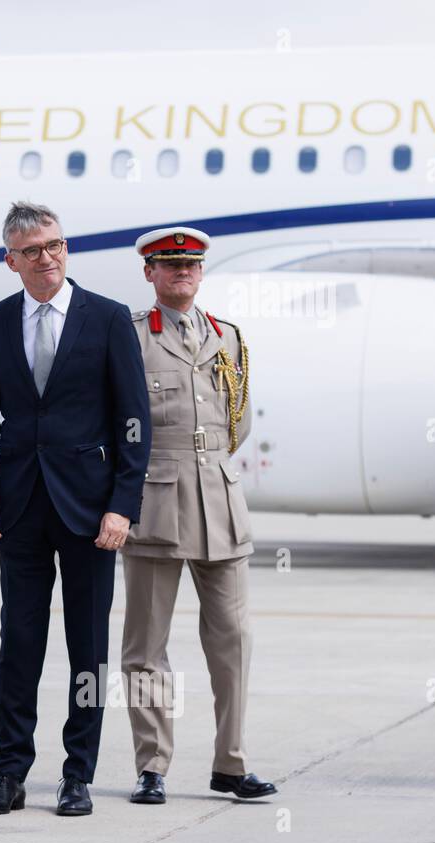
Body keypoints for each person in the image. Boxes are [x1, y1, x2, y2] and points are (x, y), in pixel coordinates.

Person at [0, 201, 151, 817]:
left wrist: (123, 504)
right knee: (18, 642)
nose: (47, 258)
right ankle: (11, 770)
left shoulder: (105, 317)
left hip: (90, 510)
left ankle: (79, 774)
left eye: (55, 245)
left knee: (87, 648)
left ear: (65, 249)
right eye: (33, 250)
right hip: (18, 505)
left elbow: (133, 420)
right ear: (10, 260)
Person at [122, 227, 277, 805]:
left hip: (220, 501)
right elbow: (115, 424)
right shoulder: (132, 337)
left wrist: (207, 462)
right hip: (155, 503)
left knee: (233, 639)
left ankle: (231, 764)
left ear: (201, 272)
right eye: (168, 265)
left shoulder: (227, 337)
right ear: (150, 274)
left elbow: (238, 422)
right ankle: (152, 766)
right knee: (145, 647)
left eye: (189, 265)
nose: (180, 273)